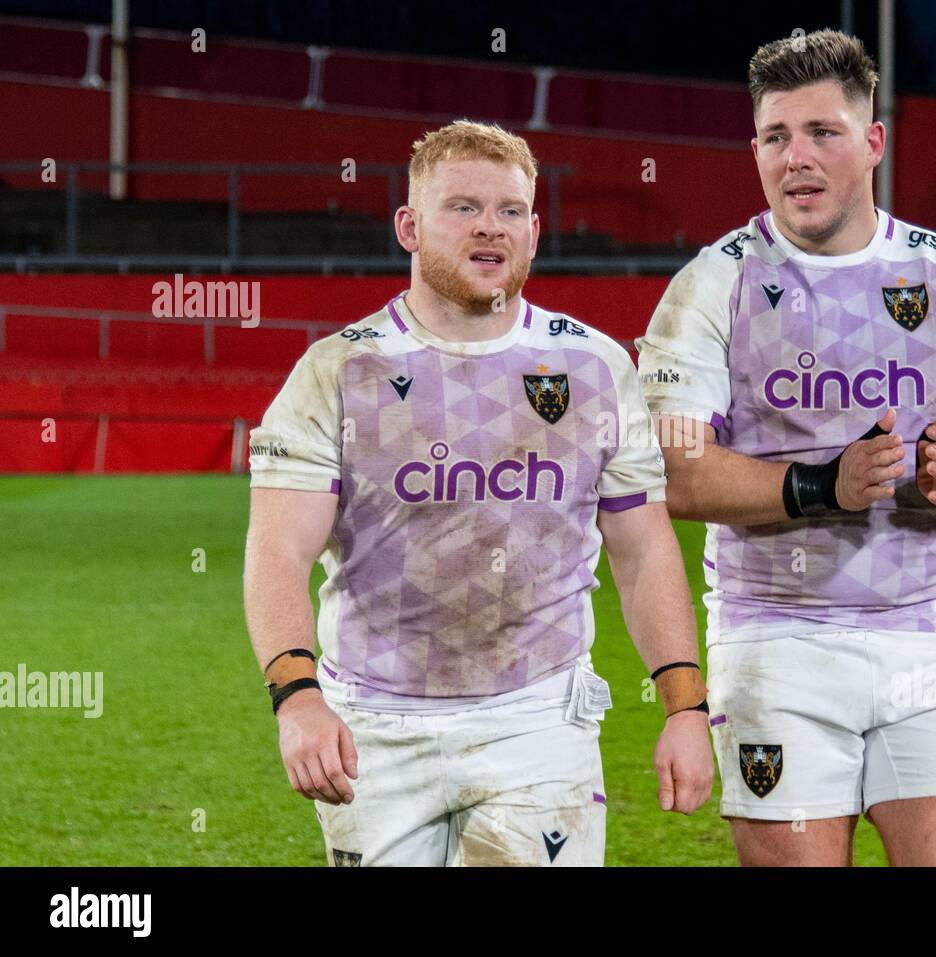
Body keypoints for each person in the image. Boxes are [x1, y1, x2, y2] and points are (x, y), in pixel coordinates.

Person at [636, 30, 936, 866]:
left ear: (872, 143)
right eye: (775, 136)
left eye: (822, 132)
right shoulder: (711, 286)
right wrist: (820, 485)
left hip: (933, 636)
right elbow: (676, 473)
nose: (796, 157)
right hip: (774, 639)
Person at [243, 120, 713, 867]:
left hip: (538, 719)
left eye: (510, 210)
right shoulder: (334, 373)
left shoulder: (593, 367)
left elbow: (644, 549)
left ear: (533, 231)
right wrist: (297, 697)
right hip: (375, 723)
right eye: (462, 207)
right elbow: (277, 551)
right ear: (409, 225)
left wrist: (685, 706)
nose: (489, 226)